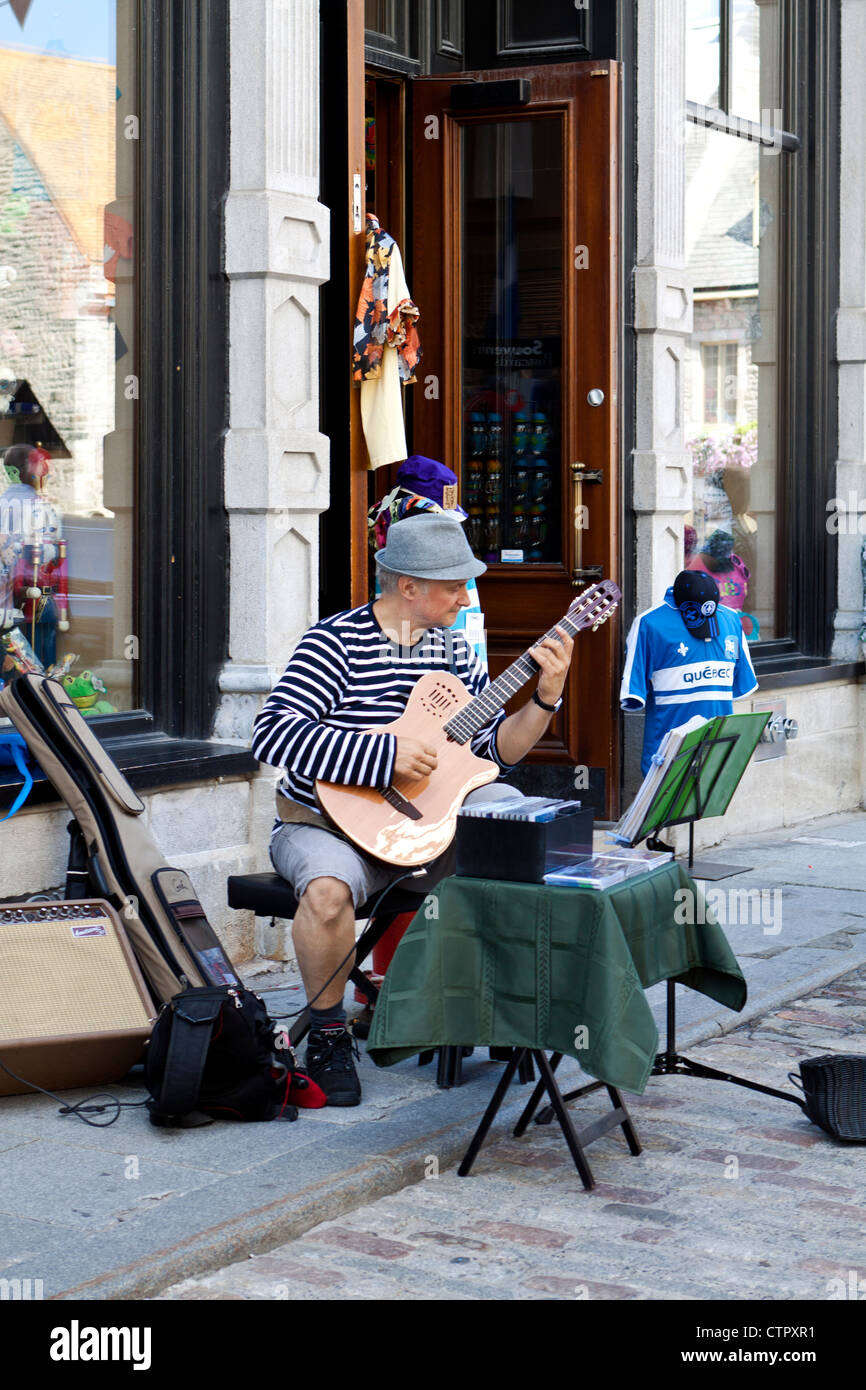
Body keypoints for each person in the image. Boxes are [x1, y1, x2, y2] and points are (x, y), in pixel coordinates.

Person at [251, 515, 574, 1106]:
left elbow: (488, 750)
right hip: (328, 826)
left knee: (513, 819)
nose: (465, 595)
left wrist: (546, 698)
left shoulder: (455, 650)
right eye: (453, 584)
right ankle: (327, 1035)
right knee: (327, 892)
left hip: (427, 829)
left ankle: (500, 1007)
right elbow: (271, 736)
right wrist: (383, 757)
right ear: (407, 587)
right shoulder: (333, 644)